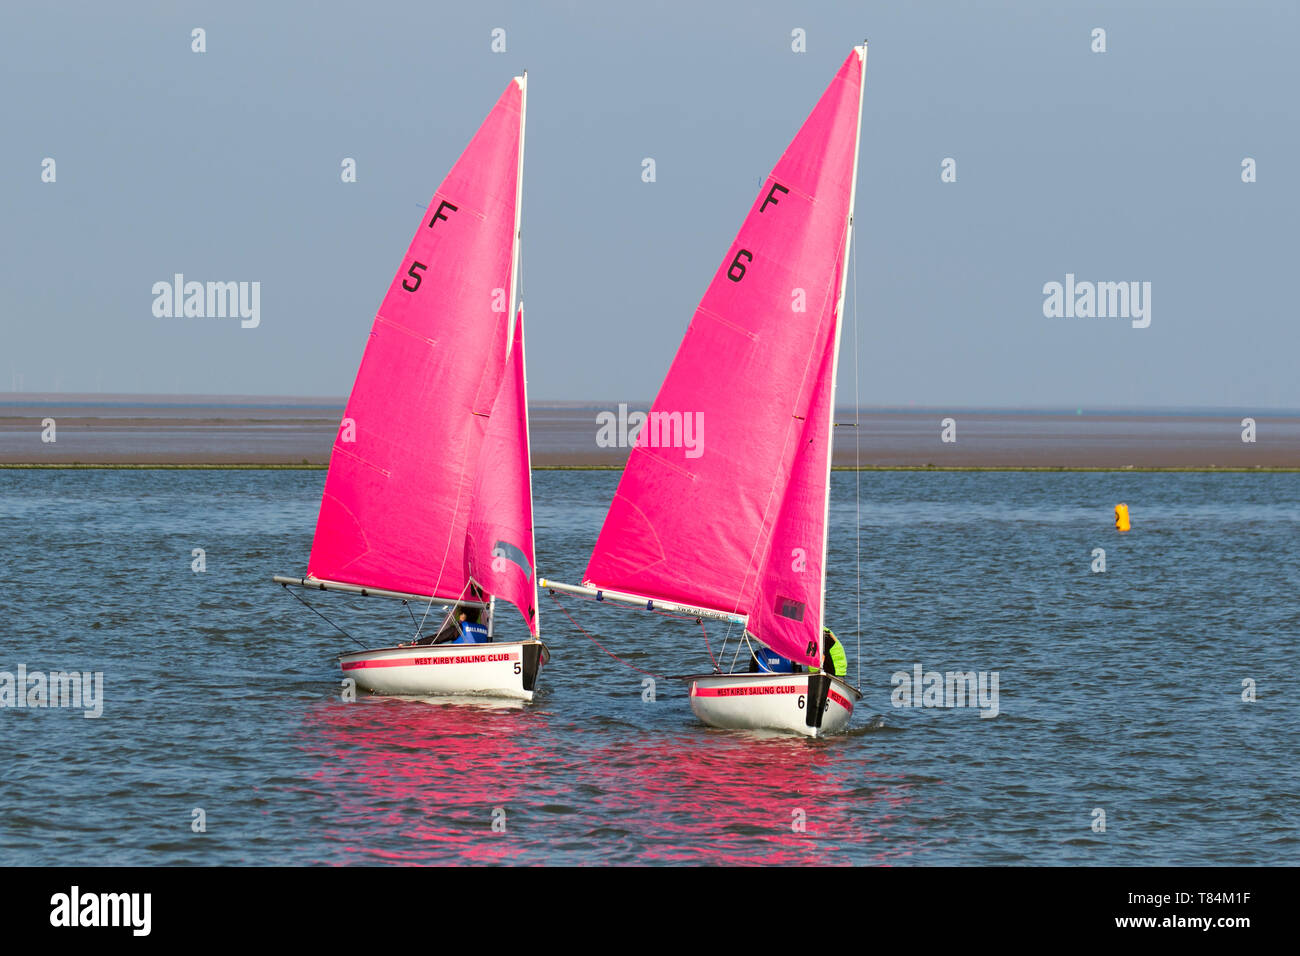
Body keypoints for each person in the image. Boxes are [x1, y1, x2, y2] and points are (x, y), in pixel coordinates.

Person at [414, 605, 489, 646]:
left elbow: (437, 639)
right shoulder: (485, 630)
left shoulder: (459, 628)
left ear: (463, 615)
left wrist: (416, 643)